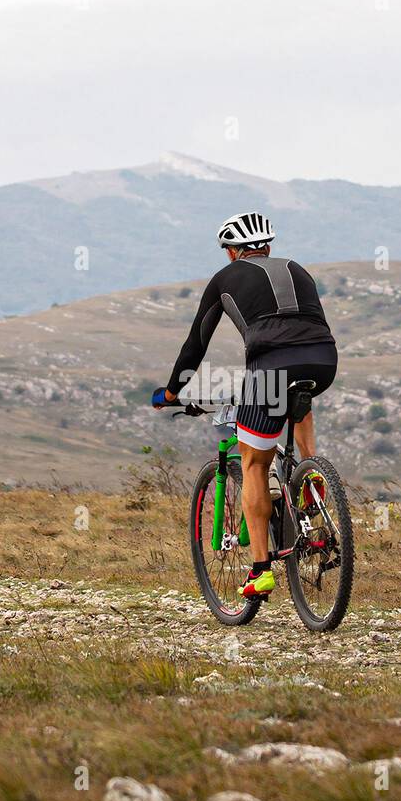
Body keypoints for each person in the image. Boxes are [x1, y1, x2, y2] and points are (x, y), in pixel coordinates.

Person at [153, 211, 337, 601]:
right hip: (324, 360)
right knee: (297, 395)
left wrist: (171, 393)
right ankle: (311, 472)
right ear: (267, 246)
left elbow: (195, 344)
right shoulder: (297, 269)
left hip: (271, 366)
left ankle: (260, 571)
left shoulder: (224, 279)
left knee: (254, 463)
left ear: (234, 252)